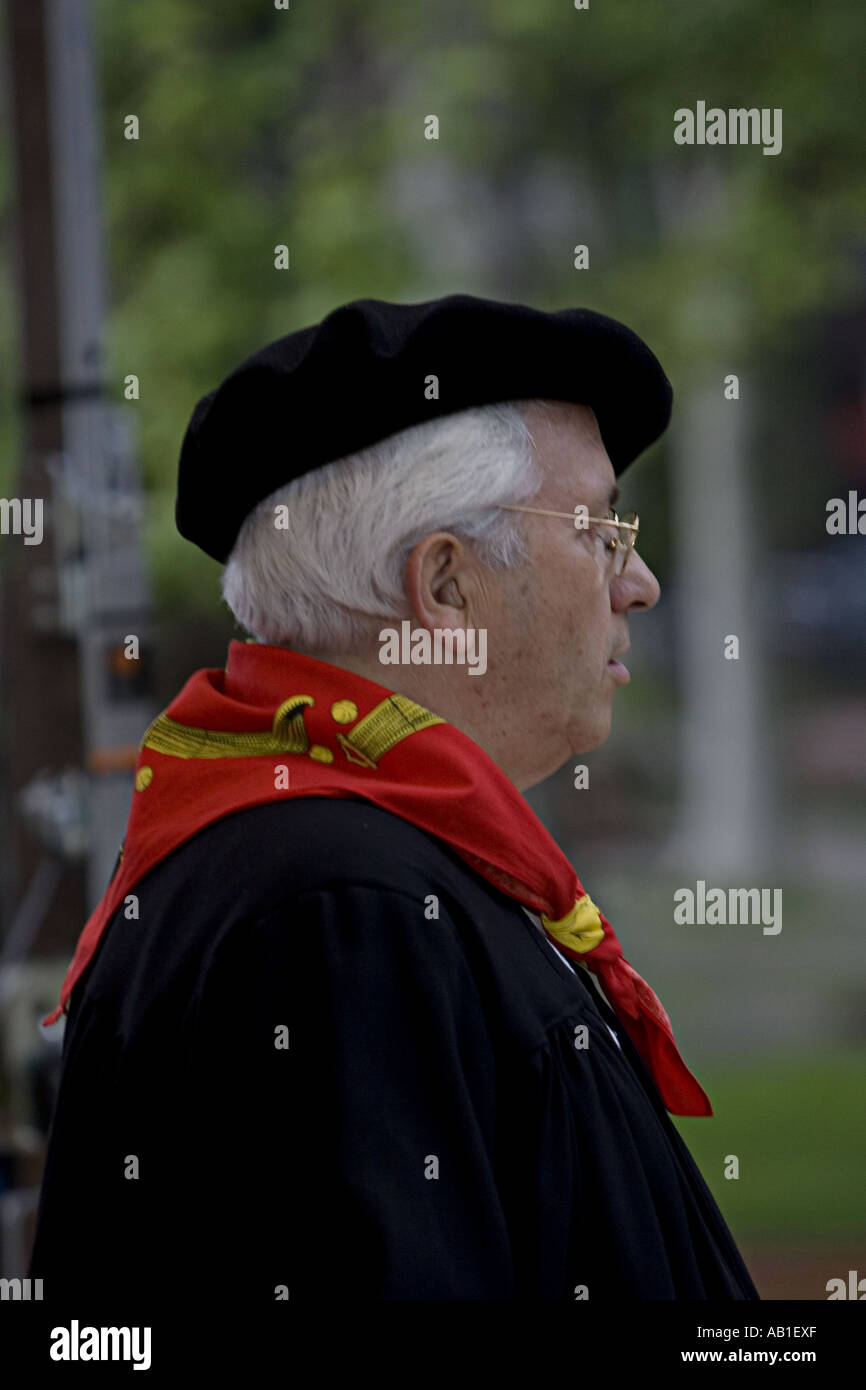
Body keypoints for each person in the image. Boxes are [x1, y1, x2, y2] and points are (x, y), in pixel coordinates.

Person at [29, 293, 759, 1308]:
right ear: (445, 585)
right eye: (597, 528)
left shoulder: (350, 865)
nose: (635, 581)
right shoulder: (340, 906)